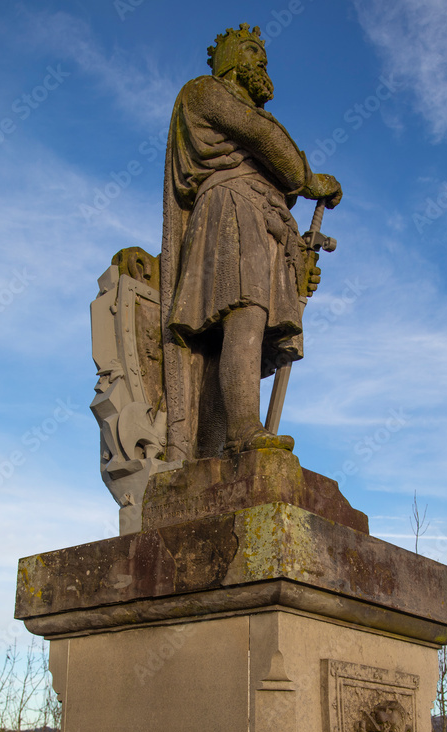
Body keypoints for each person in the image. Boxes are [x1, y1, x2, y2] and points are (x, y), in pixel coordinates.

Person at [161, 23, 342, 460]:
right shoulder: (204, 91)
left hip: (262, 220)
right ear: (227, 61)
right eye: (249, 50)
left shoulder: (248, 118)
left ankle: (216, 448)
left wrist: (297, 260)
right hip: (230, 211)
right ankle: (244, 430)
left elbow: (275, 165)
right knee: (244, 313)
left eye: (262, 52)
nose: (260, 59)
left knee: (244, 333)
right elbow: (267, 140)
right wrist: (309, 180)